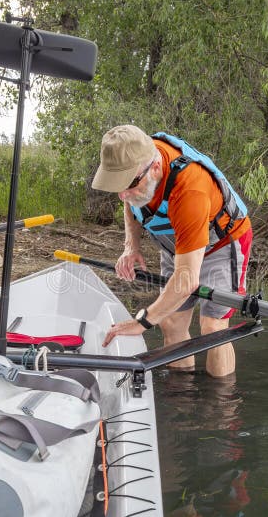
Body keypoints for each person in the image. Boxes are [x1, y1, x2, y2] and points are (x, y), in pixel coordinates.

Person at [92, 124, 253, 377]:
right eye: (118, 186)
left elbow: (186, 279)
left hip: (221, 242)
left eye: (129, 184)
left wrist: (142, 321)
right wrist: (131, 246)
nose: (122, 195)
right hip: (177, 242)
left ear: (155, 168)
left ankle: (221, 408)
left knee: (213, 329)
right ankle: (181, 399)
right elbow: (132, 202)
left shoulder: (190, 189)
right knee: (170, 321)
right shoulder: (136, 168)